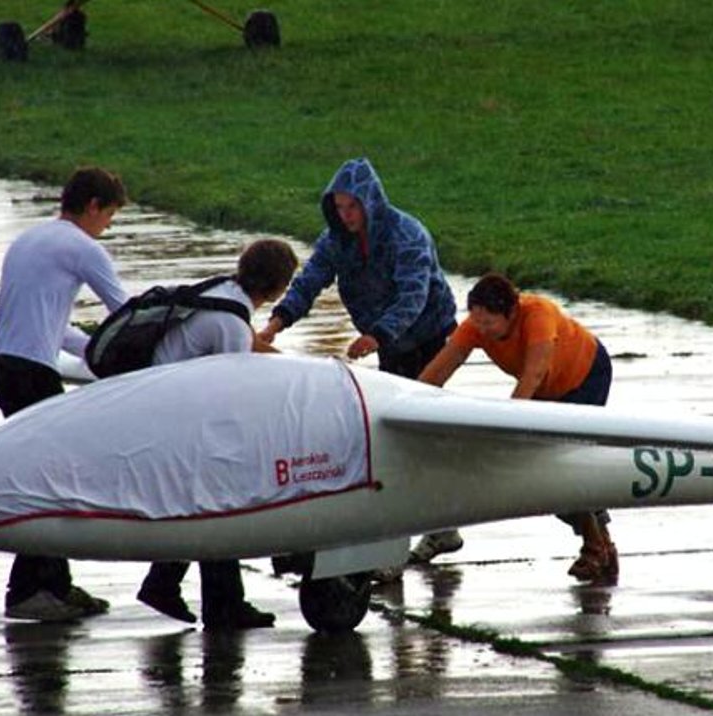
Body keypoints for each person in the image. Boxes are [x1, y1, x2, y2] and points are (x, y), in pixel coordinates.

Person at [257, 158, 460, 573]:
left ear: (370, 203)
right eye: (340, 208)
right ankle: (437, 526)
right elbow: (310, 279)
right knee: (398, 437)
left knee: (420, 435)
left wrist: (377, 335)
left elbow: (414, 296)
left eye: (353, 207)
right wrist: (276, 325)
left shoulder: (408, 235)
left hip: (428, 337)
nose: (347, 216)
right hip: (386, 343)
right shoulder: (336, 241)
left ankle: (427, 531)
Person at [0, 166, 129, 621]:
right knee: (54, 482)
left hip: (2, 367)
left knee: (46, 476)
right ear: (92, 206)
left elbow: (48, 322)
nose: (106, 227)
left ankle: (53, 585)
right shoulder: (83, 248)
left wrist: (91, 351)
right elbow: (127, 314)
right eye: (109, 217)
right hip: (31, 373)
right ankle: (30, 591)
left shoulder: (30, 241)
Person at [414, 273, 618, 583]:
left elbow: (533, 376)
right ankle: (600, 545)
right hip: (546, 391)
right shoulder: (476, 326)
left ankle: (596, 546)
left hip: (585, 378)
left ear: (511, 313)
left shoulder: (538, 314)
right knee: (548, 471)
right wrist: (412, 400)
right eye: (476, 322)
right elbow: (441, 367)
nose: (481, 330)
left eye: (489, 323)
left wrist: (508, 426)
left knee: (559, 465)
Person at [136, 238, 298, 630]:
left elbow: (249, 349)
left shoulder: (224, 295)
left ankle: (169, 584)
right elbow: (235, 386)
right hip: (176, 417)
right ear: (278, 287)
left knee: (209, 500)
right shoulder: (231, 319)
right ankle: (219, 605)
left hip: (167, 406)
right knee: (222, 498)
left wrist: (301, 368)